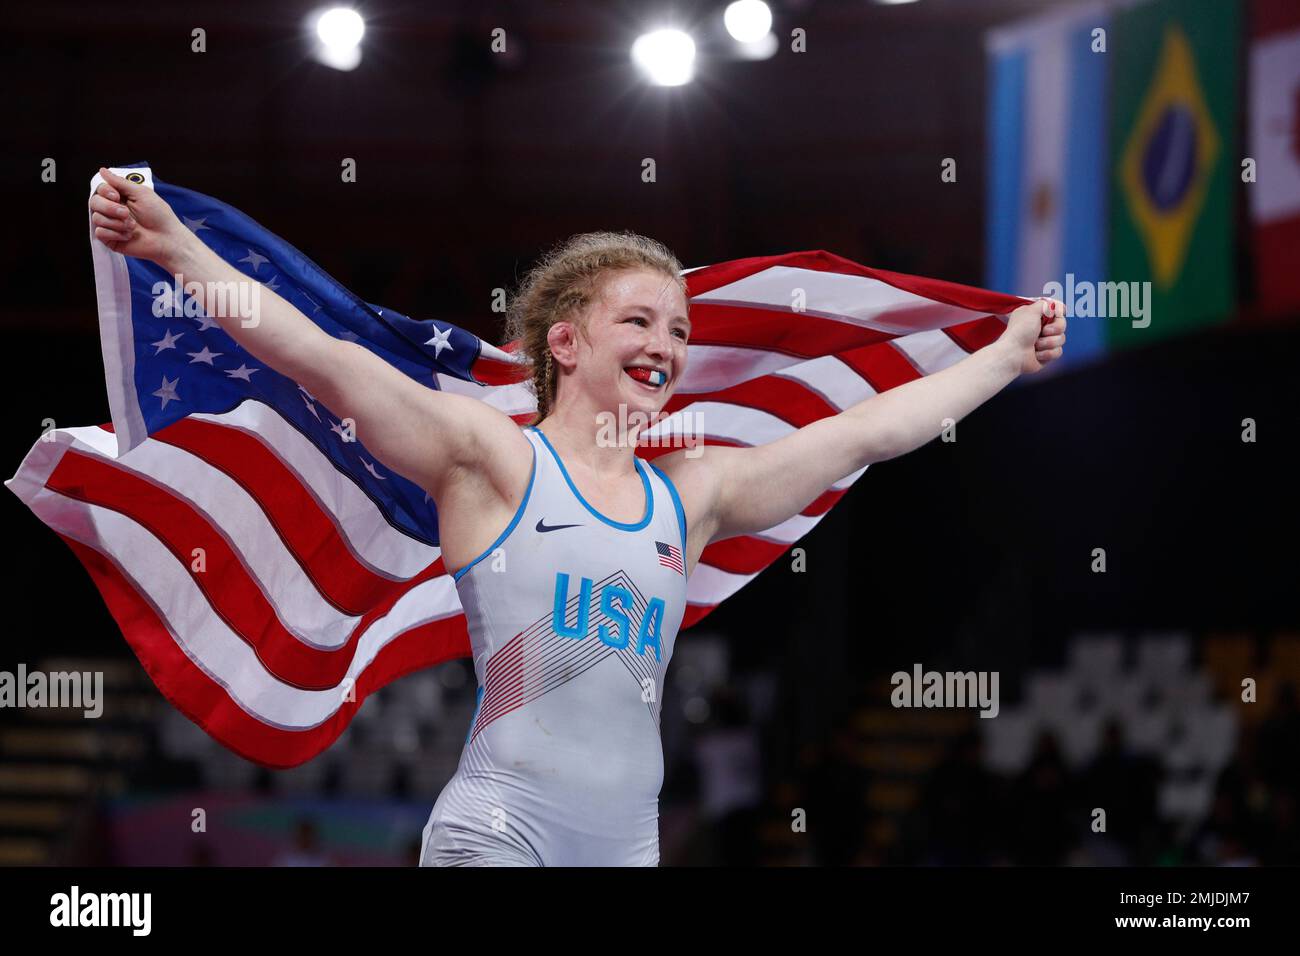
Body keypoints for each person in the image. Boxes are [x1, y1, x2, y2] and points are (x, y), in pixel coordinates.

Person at [89, 166, 1067, 866]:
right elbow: (319, 358)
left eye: (678, 329)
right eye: (638, 320)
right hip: (497, 832)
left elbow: (867, 433)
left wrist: (1001, 356)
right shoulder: (491, 458)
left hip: (629, 842)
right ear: (564, 339)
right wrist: (173, 246)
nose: (665, 344)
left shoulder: (694, 495)